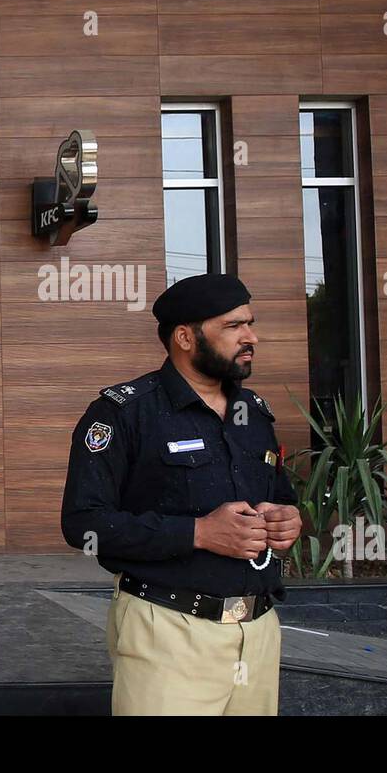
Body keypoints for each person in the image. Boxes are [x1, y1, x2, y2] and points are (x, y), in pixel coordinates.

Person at [61, 273, 303, 715]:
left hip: (259, 634)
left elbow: (281, 496)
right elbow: (84, 522)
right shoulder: (124, 413)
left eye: (250, 323)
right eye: (233, 326)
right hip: (168, 632)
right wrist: (199, 533)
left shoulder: (255, 415)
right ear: (185, 337)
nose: (250, 337)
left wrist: (288, 519)